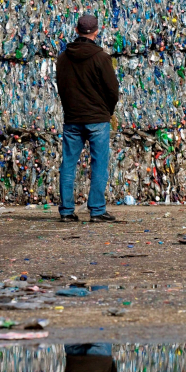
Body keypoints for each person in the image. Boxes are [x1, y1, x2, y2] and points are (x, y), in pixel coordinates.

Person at [55, 14, 120, 223]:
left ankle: (66, 211)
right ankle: (97, 210)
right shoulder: (101, 57)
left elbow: (61, 87)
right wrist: (107, 111)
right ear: (96, 32)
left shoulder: (63, 58)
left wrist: (70, 109)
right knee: (99, 163)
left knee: (68, 164)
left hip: (72, 118)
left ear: (76, 30)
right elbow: (113, 90)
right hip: (97, 118)